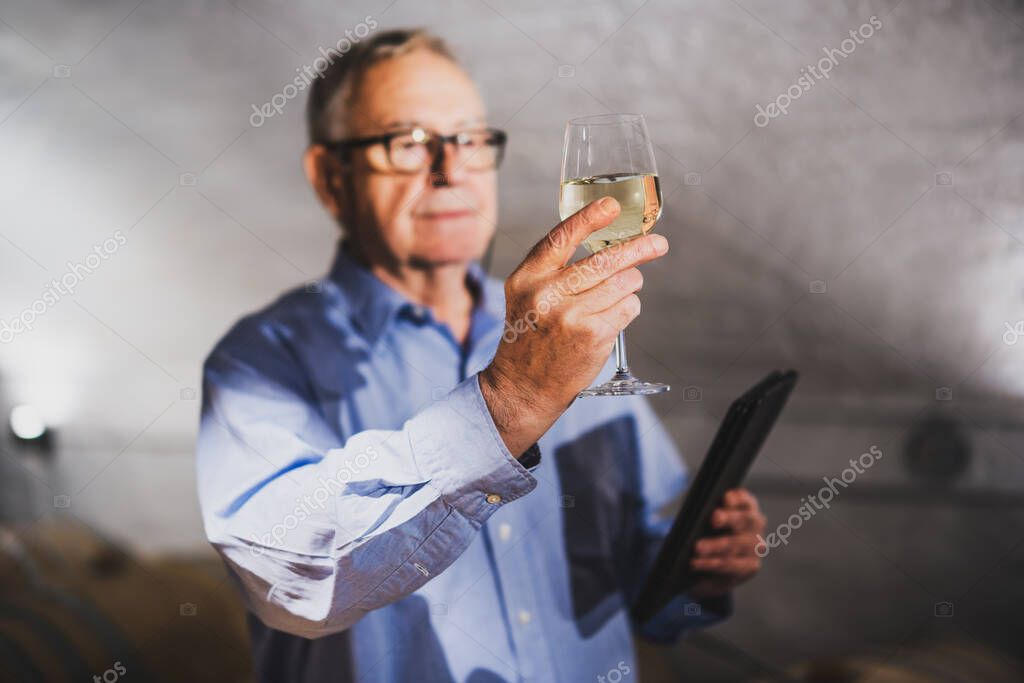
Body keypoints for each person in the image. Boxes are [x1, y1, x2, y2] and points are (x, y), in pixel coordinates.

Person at [196, 28, 767, 683]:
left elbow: (638, 587)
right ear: (330, 177)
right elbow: (286, 577)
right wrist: (510, 402)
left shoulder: (571, 327)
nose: (451, 169)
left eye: (469, 139)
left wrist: (695, 571)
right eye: (407, 142)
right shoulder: (260, 362)